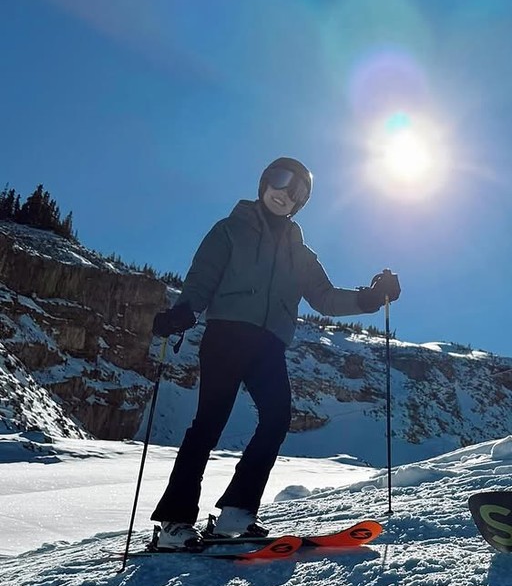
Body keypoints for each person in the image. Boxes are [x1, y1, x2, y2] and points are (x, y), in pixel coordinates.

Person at [149, 157, 401, 549]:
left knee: (277, 418)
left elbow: (325, 298)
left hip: (269, 344)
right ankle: (174, 523)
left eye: (299, 192)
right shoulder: (229, 231)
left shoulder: (300, 253)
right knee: (208, 423)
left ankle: (236, 512)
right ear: (265, 181)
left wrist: (370, 299)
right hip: (227, 335)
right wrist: (183, 312)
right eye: (283, 182)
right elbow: (201, 282)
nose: (287, 194)